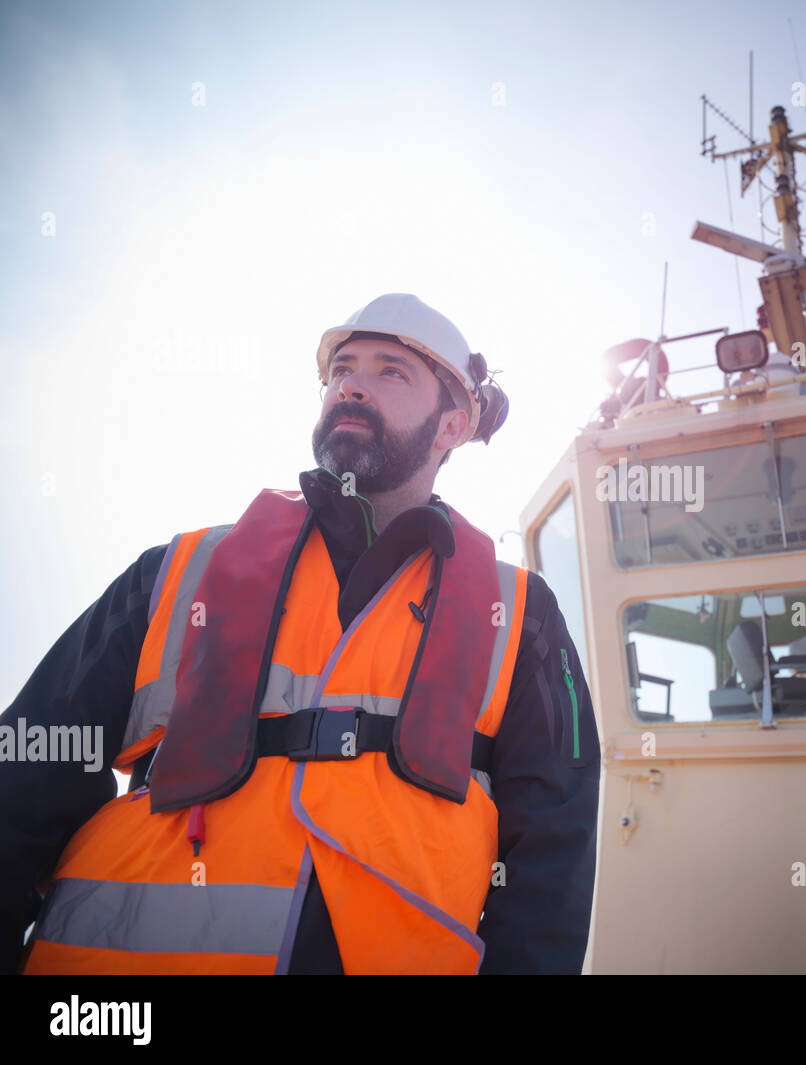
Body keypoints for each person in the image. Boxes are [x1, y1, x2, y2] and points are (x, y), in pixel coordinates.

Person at [0, 293, 600, 975]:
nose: (351, 384)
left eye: (390, 372)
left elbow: (552, 861)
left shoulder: (522, 616)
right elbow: (24, 775)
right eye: (341, 369)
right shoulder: (177, 572)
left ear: (452, 425)